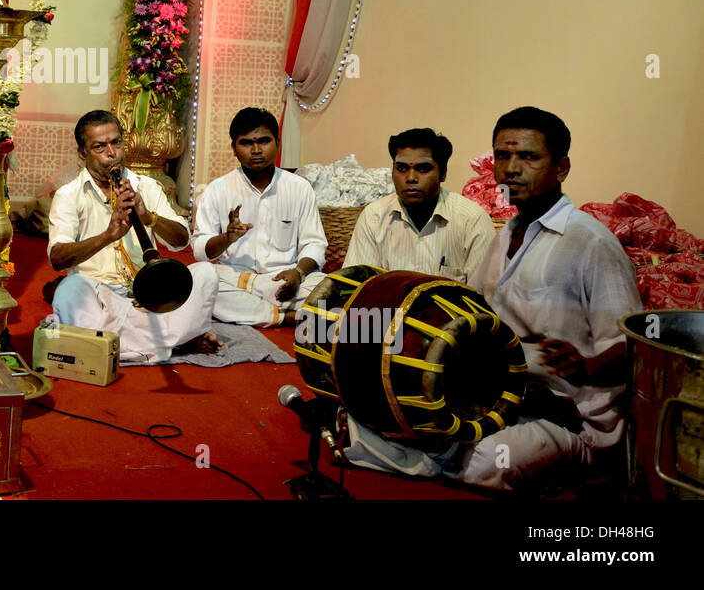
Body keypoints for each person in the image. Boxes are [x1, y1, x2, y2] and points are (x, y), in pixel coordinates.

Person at [344, 107, 642, 491]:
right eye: (502, 156)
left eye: (528, 157)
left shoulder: (592, 242)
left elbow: (634, 346)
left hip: (570, 418)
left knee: (491, 459)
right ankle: (412, 447)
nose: (510, 169)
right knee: (376, 406)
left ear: (561, 168)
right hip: (502, 399)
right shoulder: (505, 237)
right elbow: (480, 317)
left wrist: (587, 366)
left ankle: (404, 451)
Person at [47, 111, 221, 363]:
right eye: (99, 147)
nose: (112, 153)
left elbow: (181, 239)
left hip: (150, 297)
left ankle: (113, 346)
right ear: (82, 153)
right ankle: (175, 340)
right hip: (99, 296)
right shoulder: (68, 195)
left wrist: (149, 217)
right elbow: (57, 259)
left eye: (116, 143)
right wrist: (108, 235)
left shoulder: (147, 187)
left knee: (206, 273)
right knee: (69, 291)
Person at [190, 107, 327, 326]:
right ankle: (283, 317)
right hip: (235, 280)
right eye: (246, 143)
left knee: (326, 286)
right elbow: (200, 250)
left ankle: (251, 311)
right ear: (234, 149)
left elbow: (315, 244)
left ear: (278, 144)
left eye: (263, 141)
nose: (256, 150)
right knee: (196, 278)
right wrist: (227, 238)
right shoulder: (217, 189)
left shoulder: (300, 188)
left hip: (284, 281)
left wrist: (298, 273)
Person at [342, 127, 495, 281]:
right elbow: (355, 288)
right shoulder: (374, 217)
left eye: (423, 169)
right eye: (402, 168)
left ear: (443, 173)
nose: (410, 178)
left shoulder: (472, 220)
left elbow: (484, 297)